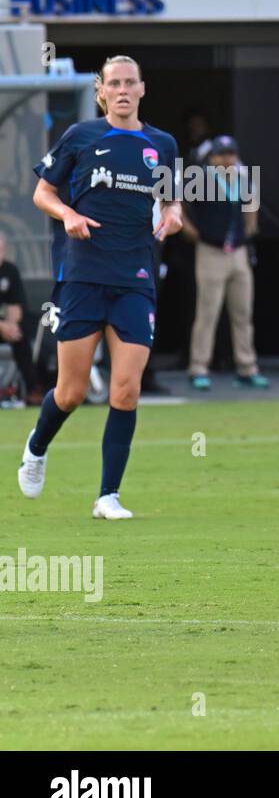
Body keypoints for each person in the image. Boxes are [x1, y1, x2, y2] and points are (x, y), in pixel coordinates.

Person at [17, 55, 184, 519]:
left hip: (135, 277)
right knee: (70, 392)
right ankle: (36, 446)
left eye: (131, 82)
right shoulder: (81, 137)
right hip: (84, 276)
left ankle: (107, 495)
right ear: (102, 92)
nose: (124, 89)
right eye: (115, 83)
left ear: (142, 89)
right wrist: (68, 214)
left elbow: (172, 200)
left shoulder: (162, 144)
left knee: (125, 390)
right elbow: (42, 192)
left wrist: (173, 214)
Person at [181, 135, 269, 391]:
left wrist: (251, 227)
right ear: (212, 158)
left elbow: (251, 203)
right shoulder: (201, 179)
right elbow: (179, 204)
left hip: (238, 251)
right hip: (211, 250)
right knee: (208, 312)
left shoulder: (241, 178)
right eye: (222, 155)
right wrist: (191, 231)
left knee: (243, 313)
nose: (227, 160)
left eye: (231, 155)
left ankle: (247, 367)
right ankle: (198, 367)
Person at [0, 230, 43, 405]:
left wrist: (11, 325)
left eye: (1, 249)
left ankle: (32, 389)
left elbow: (15, 305)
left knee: (21, 337)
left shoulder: (10, 270)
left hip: (4, 325)